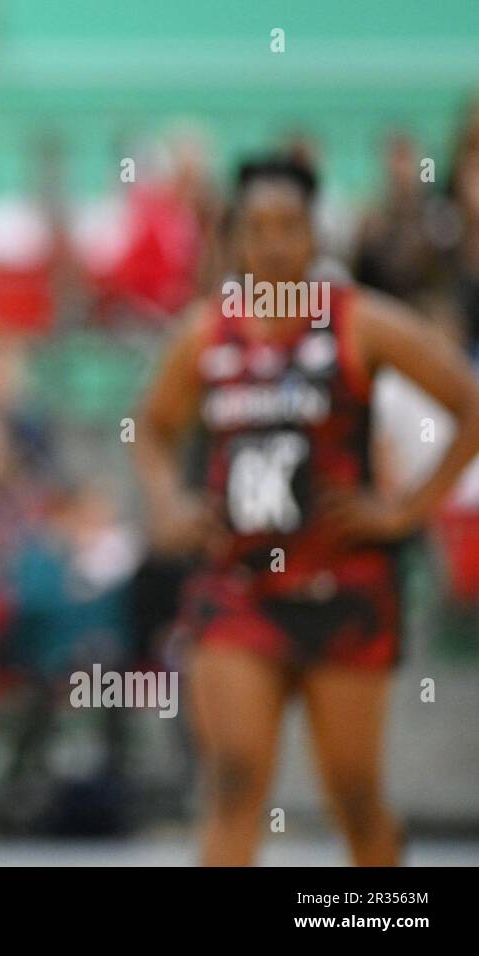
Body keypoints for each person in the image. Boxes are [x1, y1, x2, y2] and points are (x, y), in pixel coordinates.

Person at [134, 157, 479, 866]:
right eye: (256, 229)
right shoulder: (207, 334)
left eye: (288, 227)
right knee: (231, 782)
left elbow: (468, 404)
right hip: (237, 589)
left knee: (354, 790)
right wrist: (168, 502)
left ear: (314, 234)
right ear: (233, 240)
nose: (272, 245)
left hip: (343, 587)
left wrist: (405, 510)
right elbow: (153, 429)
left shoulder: (359, 323)